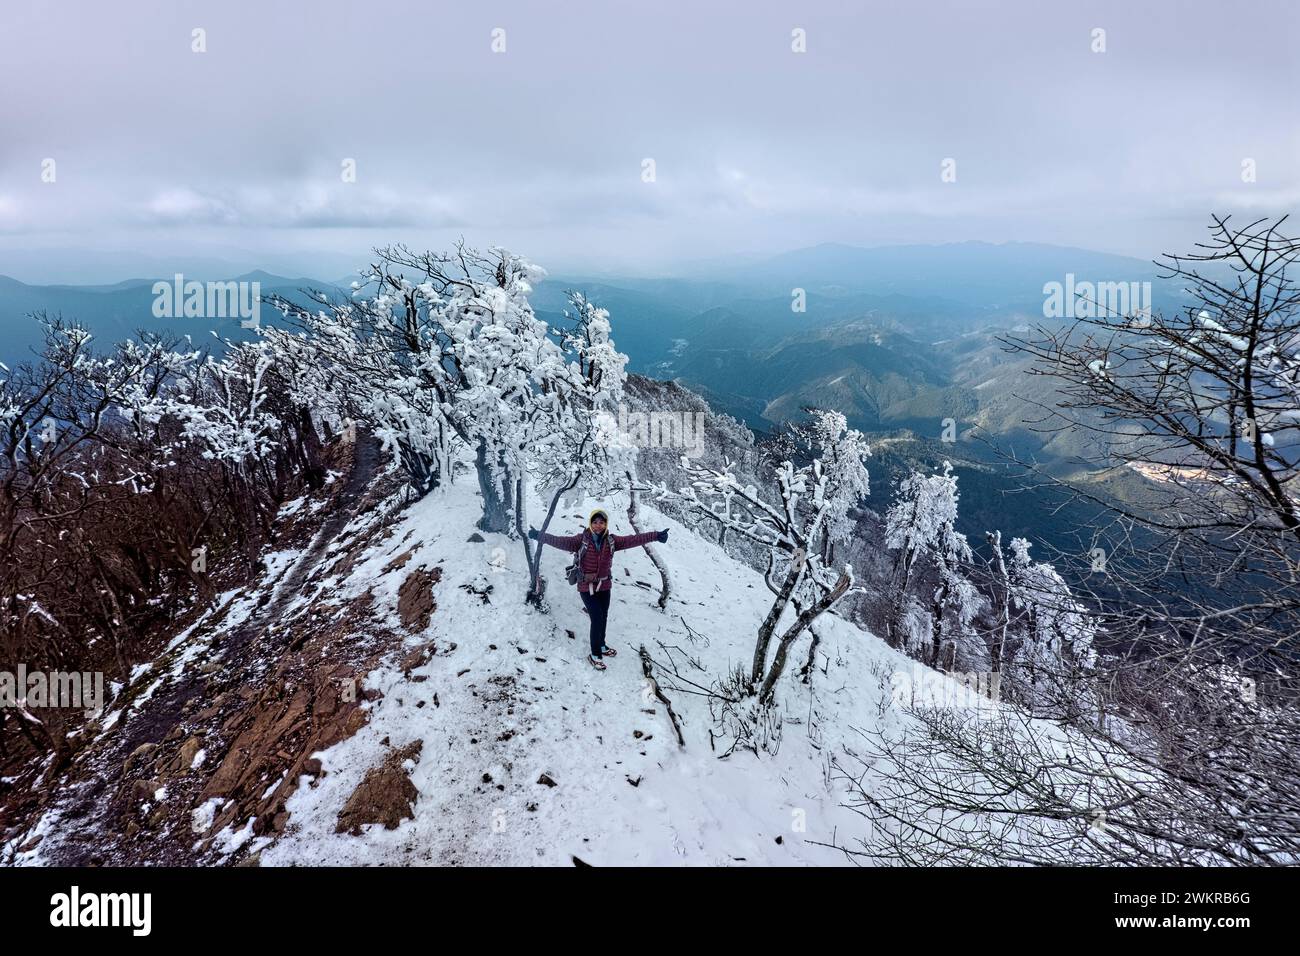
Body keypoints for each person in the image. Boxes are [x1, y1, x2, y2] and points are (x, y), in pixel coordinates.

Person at [529, 509, 669, 670]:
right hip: (586, 586)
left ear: (605, 524)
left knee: (603, 617)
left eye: (601, 522)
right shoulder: (581, 540)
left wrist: (656, 535)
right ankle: (595, 655)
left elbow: (634, 539)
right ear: (590, 523)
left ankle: (601, 645)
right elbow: (559, 541)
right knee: (596, 618)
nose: (598, 526)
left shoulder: (612, 541)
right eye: (595, 522)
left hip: (605, 586)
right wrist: (539, 535)